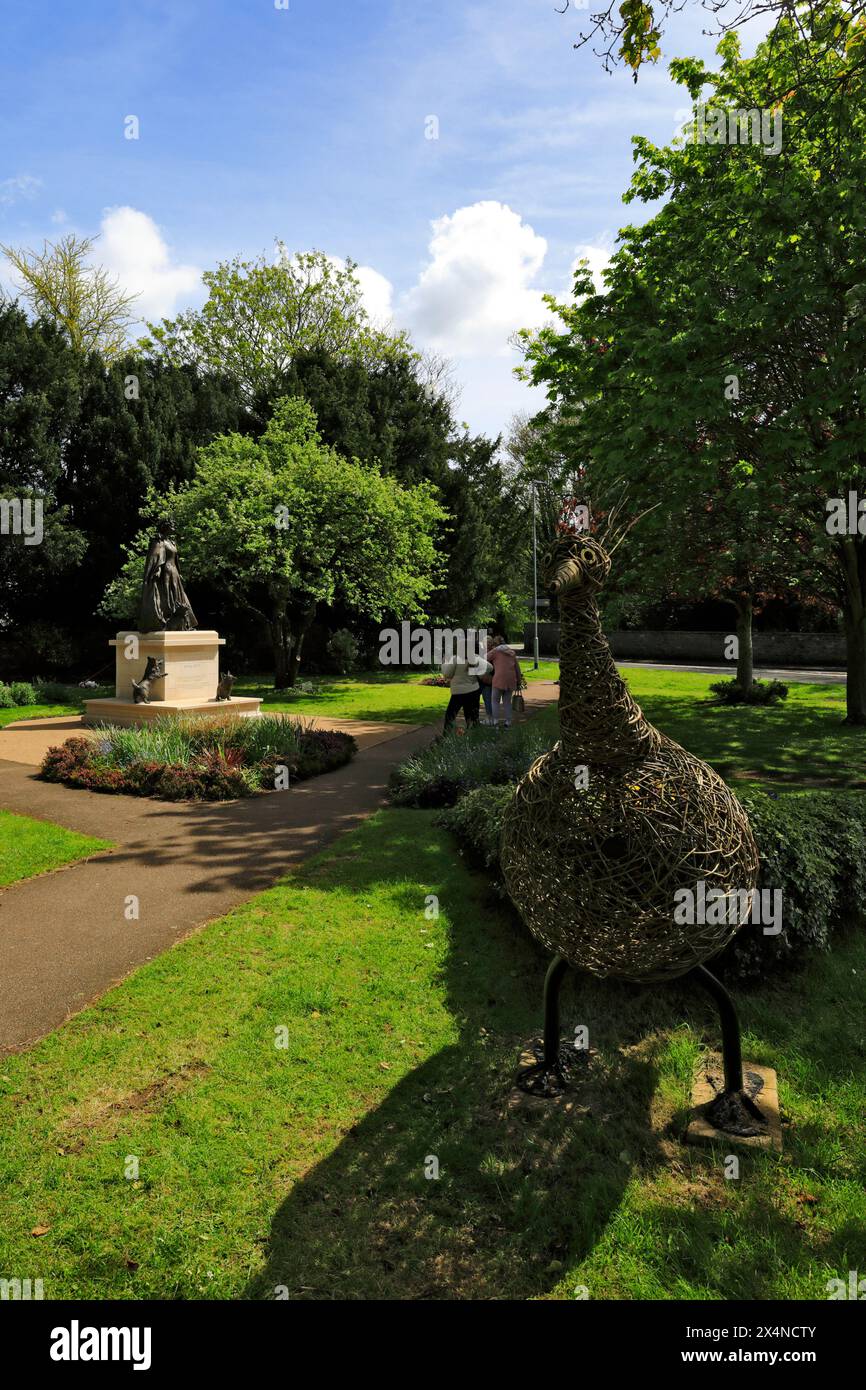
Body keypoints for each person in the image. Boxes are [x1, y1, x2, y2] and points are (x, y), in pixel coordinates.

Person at [441, 647, 492, 732]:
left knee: (450, 716)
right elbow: (490, 667)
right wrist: (475, 671)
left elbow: (447, 674)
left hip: (459, 692)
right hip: (473, 691)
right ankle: (474, 738)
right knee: (472, 718)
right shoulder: (475, 658)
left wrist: (443, 663)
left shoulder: (455, 659)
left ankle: (446, 737)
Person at [487, 633, 521, 728]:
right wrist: (519, 681)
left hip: (498, 679)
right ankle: (508, 722)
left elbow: (484, 658)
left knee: (495, 701)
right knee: (507, 701)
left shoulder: (495, 651)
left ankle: (496, 721)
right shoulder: (512, 652)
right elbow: (517, 668)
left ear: (495, 644)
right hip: (511, 679)